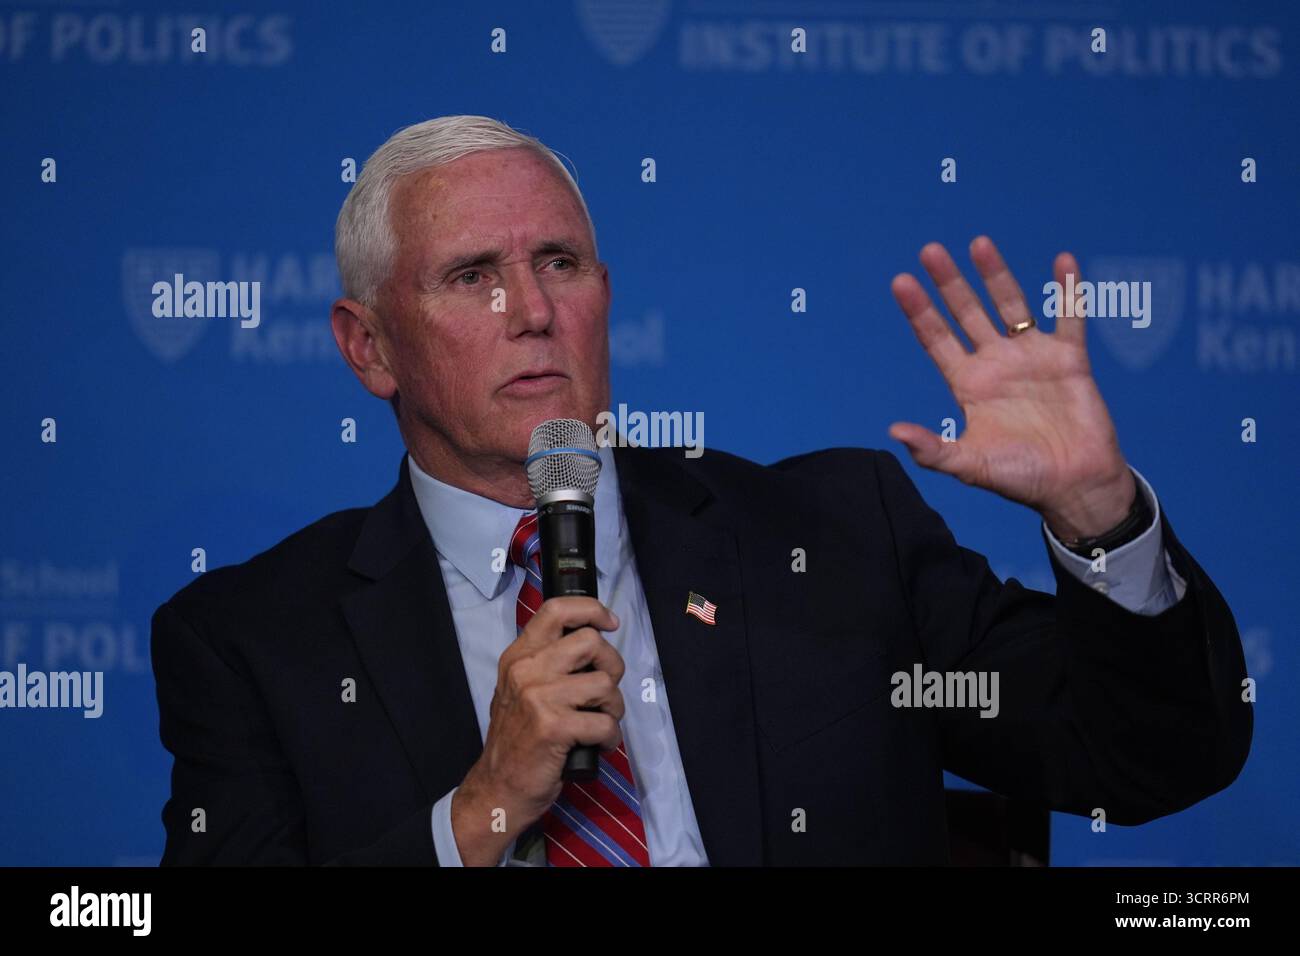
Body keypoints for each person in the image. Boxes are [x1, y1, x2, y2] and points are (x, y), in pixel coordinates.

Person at [151, 115, 1251, 866]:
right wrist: (482, 809)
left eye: (559, 263)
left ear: (604, 294)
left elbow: (1149, 760)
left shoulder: (839, 538)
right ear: (369, 347)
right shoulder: (252, 641)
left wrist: (1097, 511)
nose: (531, 311)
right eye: (471, 275)